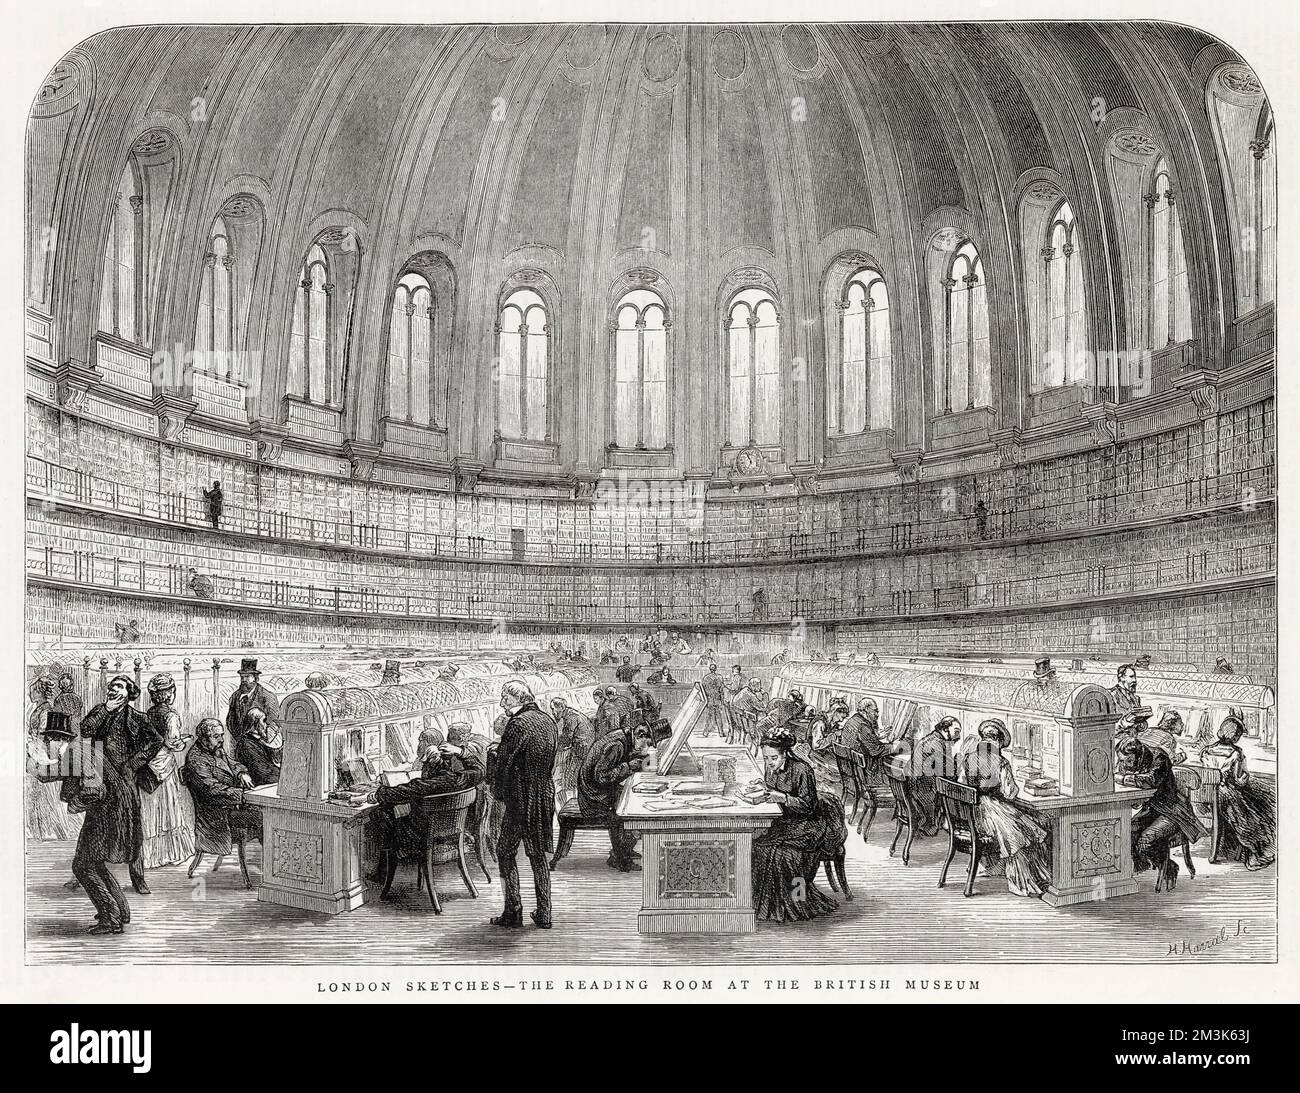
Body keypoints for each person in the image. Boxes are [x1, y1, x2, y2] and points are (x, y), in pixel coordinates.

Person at [69, 676, 164, 934]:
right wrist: (105, 709)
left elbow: (155, 741)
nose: (113, 689)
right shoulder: (100, 712)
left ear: (130, 693)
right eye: (111, 686)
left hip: (120, 791)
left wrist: (133, 763)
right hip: (99, 787)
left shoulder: (138, 717)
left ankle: (111, 918)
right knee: (92, 859)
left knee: (85, 862)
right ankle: (119, 911)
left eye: (119, 687)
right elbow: (86, 730)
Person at [751, 727, 846, 922]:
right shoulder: (772, 768)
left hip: (809, 824)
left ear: (785, 754)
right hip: (788, 821)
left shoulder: (802, 770)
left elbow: (808, 806)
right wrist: (762, 787)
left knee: (789, 856)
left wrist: (784, 798)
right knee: (759, 847)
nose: (769, 763)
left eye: (773, 758)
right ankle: (770, 902)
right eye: (766, 758)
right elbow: (773, 787)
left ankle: (797, 901)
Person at [486, 679, 558, 929]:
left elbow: (506, 764)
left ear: (518, 699)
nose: (502, 702)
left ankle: (513, 912)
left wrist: (494, 758)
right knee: (538, 856)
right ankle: (545, 913)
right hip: (544, 793)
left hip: (520, 798)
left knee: (505, 852)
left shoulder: (516, 724)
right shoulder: (548, 720)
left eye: (505, 698)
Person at [365, 738, 484, 883]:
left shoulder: (428, 784)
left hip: (423, 838)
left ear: (432, 764)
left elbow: (406, 790)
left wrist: (377, 794)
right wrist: (460, 751)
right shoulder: (462, 778)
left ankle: (386, 871)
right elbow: (479, 770)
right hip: (452, 833)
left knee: (381, 813)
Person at [957, 719, 1051, 897]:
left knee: (1024, 826)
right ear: (998, 741)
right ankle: (1022, 882)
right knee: (1023, 833)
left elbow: (962, 784)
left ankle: (994, 867)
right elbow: (1010, 793)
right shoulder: (1000, 761)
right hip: (991, 811)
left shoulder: (968, 758)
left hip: (971, 814)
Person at [1116, 736, 1203, 889]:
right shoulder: (1128, 760)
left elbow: (1151, 780)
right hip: (1150, 810)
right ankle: (1133, 872)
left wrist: (1124, 779)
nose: (1124, 764)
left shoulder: (1159, 757)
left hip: (1172, 812)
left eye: (1127, 760)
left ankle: (1169, 867)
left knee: (1146, 839)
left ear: (1138, 753)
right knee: (1125, 831)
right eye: (1122, 761)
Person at [578, 719, 658, 871]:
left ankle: (624, 849)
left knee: (630, 801)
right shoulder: (617, 745)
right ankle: (620, 859)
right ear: (639, 735)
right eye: (646, 744)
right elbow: (601, 777)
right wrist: (629, 766)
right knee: (625, 812)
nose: (646, 749)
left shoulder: (626, 736)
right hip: (592, 797)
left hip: (596, 790)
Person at [183, 717, 263, 867]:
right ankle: (271, 869)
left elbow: (232, 763)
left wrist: (241, 773)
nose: (221, 739)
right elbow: (212, 789)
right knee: (264, 818)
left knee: (266, 814)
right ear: (203, 738)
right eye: (216, 736)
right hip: (216, 816)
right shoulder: (196, 759)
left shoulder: (215, 749)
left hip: (230, 806)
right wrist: (242, 795)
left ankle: (271, 867)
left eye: (221, 735)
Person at [1200, 715, 1275, 871]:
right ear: (1235, 735)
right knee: (1258, 807)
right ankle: (1257, 853)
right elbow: (1238, 780)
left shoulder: (1206, 751)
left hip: (1207, 797)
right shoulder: (1236, 753)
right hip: (1226, 795)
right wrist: (1245, 777)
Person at [139, 674, 196, 868]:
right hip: (163, 766)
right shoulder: (171, 715)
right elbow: (173, 743)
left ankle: (150, 856)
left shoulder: (146, 715)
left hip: (148, 766)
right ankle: (171, 853)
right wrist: (185, 740)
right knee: (169, 807)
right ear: (169, 694)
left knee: (151, 809)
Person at [900, 715, 962, 836]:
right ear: (945, 730)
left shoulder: (930, 739)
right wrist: (957, 761)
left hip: (914, 790)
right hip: (922, 793)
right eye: (956, 732)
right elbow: (950, 774)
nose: (958, 736)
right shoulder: (937, 744)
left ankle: (946, 824)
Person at [226, 659, 282, 785]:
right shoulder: (235, 697)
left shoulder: (267, 697)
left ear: (256, 678)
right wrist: (241, 735)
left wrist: (261, 733)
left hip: (265, 746)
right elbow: (231, 721)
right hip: (242, 743)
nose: (244, 680)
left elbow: (274, 723)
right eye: (242, 677)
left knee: (263, 774)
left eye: (247, 677)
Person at [550, 697, 595, 802]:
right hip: (586, 747)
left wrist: (553, 745)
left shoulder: (571, 717)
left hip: (581, 750)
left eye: (553, 709)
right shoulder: (572, 714)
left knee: (569, 776)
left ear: (561, 707)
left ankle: (570, 800)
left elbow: (567, 738)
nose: (552, 712)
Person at [699, 664, 730, 739]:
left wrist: (706, 699)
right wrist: (722, 701)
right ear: (715, 669)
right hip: (717, 700)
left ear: (710, 669)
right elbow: (721, 690)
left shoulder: (705, 678)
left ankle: (705, 732)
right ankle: (721, 732)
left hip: (709, 700)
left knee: (708, 717)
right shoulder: (719, 677)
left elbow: (703, 690)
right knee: (718, 716)